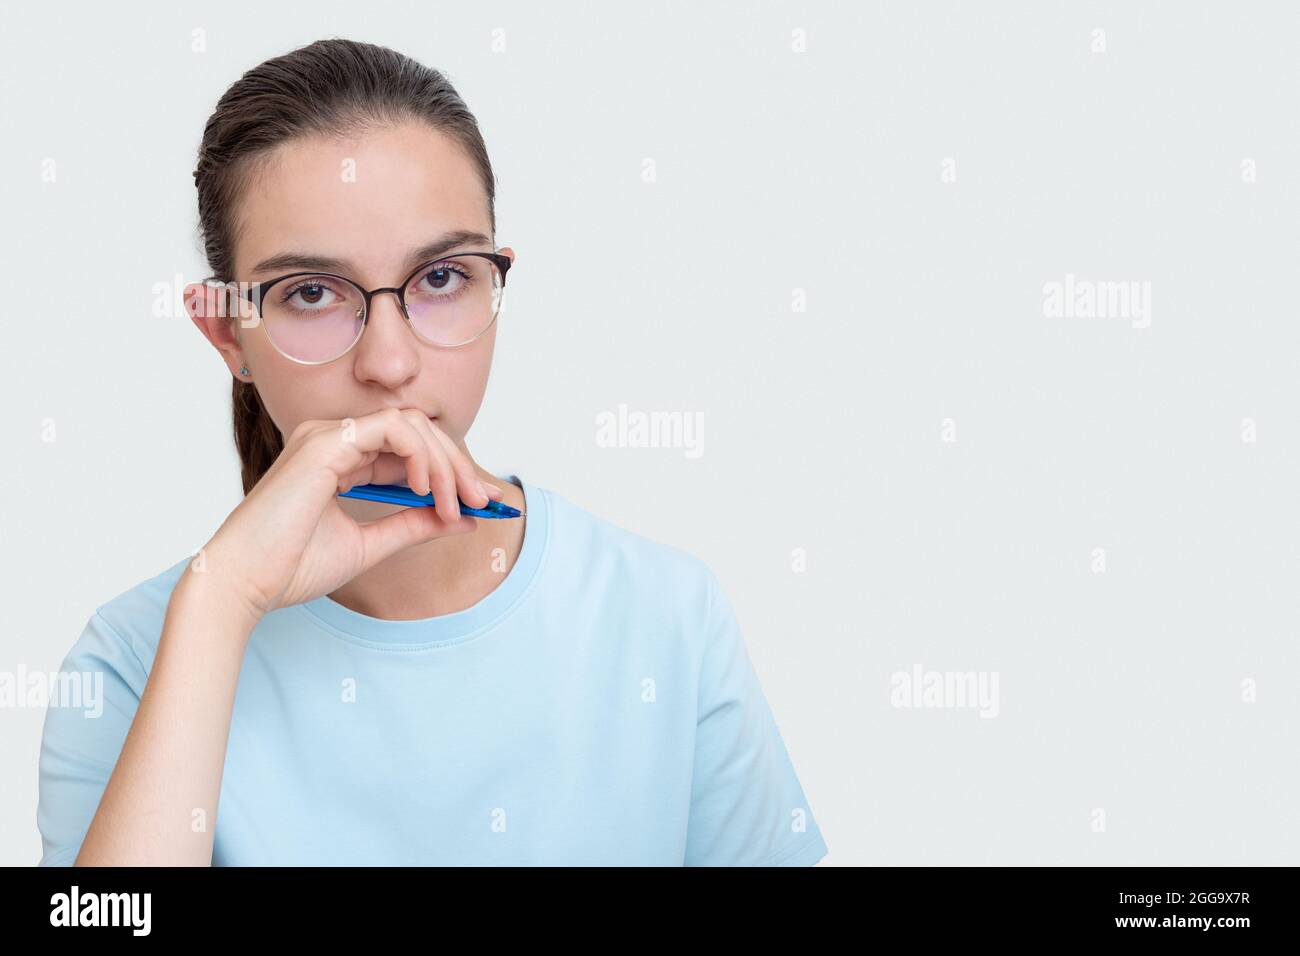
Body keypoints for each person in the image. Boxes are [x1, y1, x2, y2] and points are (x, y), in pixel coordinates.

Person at [35, 37, 828, 866]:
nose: (389, 364)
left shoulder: (669, 615)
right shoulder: (130, 662)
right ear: (226, 331)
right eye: (311, 293)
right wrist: (221, 601)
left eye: (442, 279)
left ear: (497, 283)